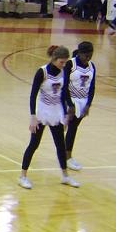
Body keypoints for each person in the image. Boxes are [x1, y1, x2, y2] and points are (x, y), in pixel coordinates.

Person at [18, 46, 79, 190]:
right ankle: (23, 176)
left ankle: (65, 176)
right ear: (54, 59)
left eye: (65, 62)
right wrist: (33, 116)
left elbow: (65, 93)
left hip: (56, 112)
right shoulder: (42, 72)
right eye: (61, 62)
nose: (63, 65)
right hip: (42, 112)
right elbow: (33, 95)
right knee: (34, 144)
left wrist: (67, 110)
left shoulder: (64, 72)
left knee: (60, 145)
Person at [63, 42, 95, 171]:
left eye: (90, 55)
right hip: (69, 100)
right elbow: (64, 85)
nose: (88, 58)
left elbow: (92, 86)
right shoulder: (71, 64)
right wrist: (70, 104)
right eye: (86, 55)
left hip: (83, 101)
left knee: (73, 127)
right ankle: (66, 156)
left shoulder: (92, 66)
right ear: (80, 53)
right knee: (68, 127)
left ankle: (67, 157)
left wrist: (88, 104)